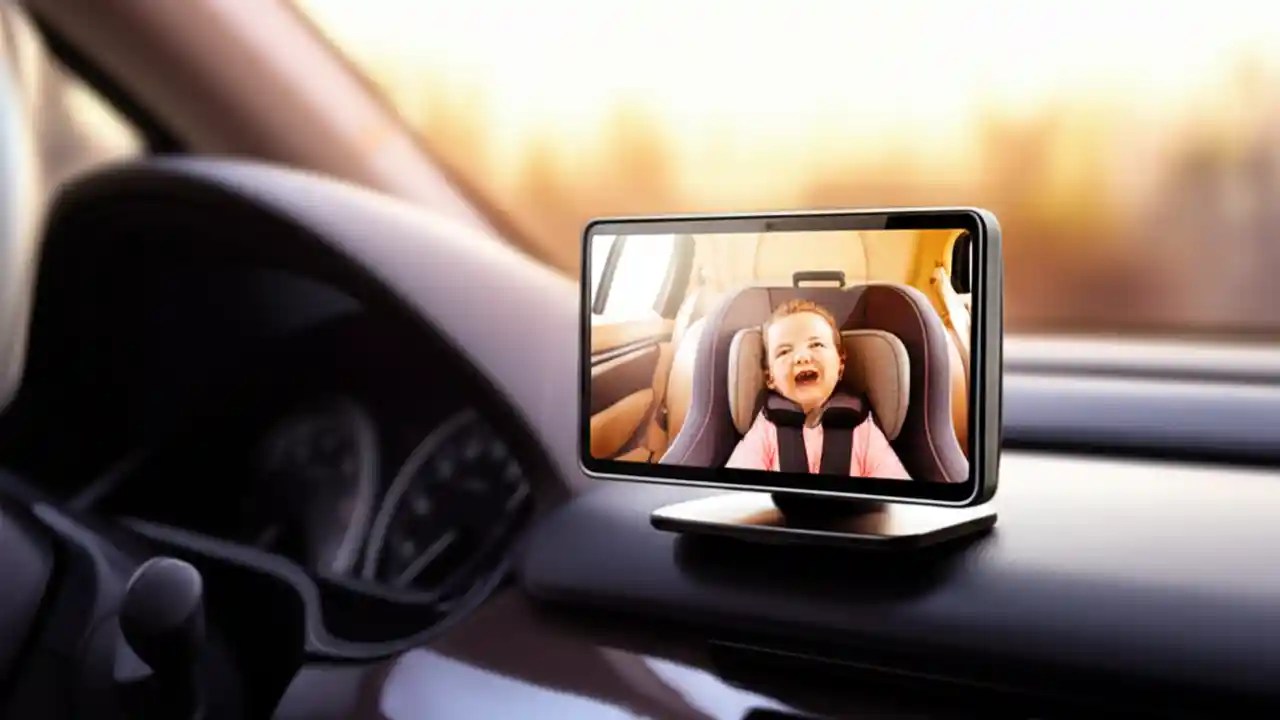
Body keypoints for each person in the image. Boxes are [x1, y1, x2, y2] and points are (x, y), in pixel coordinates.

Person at [725, 299, 911, 479]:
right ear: (769, 377)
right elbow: (734, 499)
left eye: (816, 344)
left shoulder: (864, 431)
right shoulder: (764, 432)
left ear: (840, 364)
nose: (802, 357)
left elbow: (898, 503)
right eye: (784, 351)